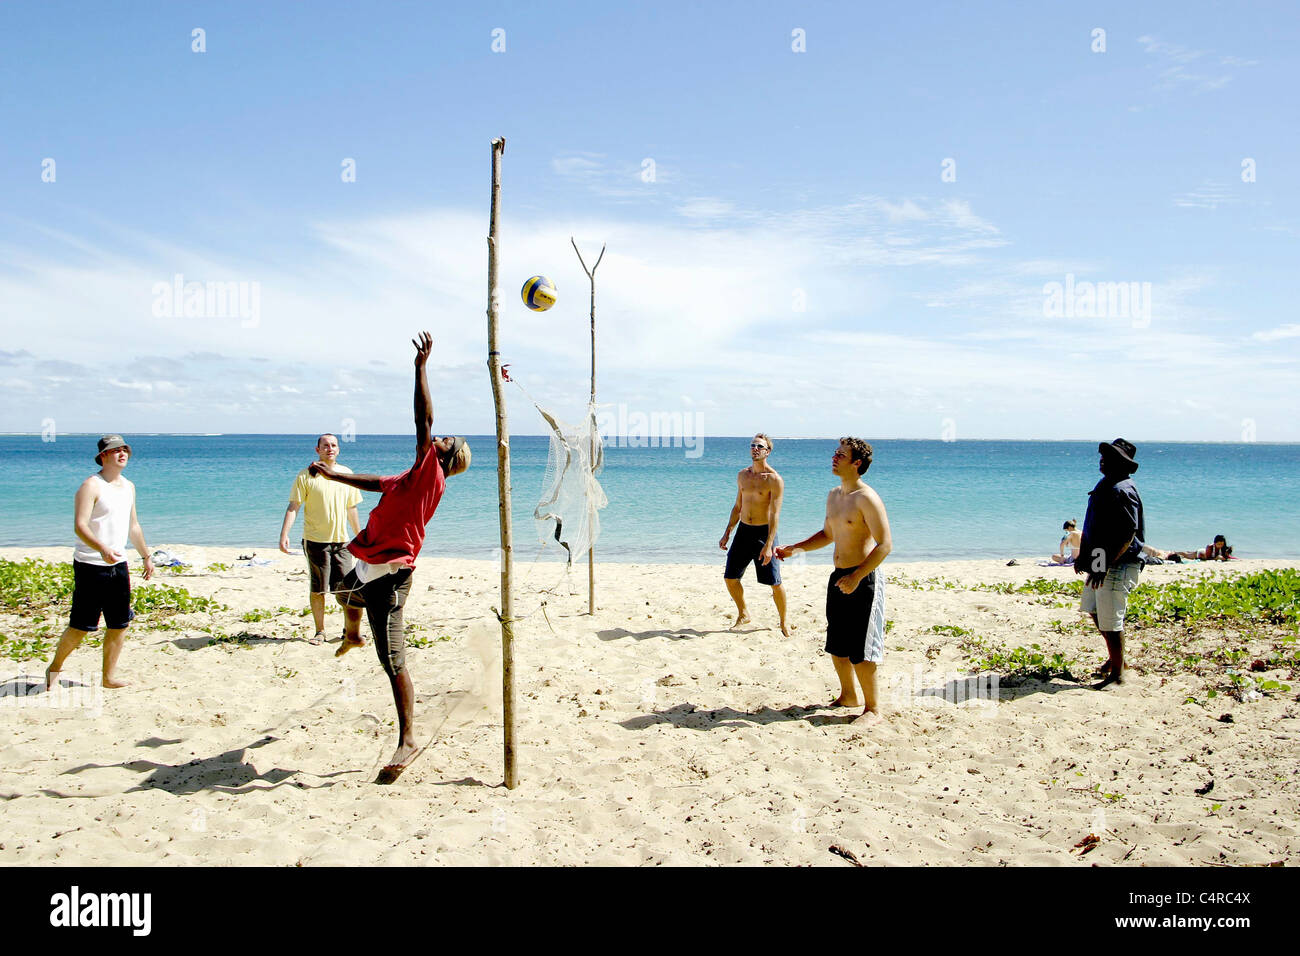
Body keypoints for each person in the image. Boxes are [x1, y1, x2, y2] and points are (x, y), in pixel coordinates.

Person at [309, 332, 471, 784]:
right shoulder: (410, 476)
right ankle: (352, 634)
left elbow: (423, 419)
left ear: (447, 456)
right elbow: (375, 483)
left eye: (446, 439)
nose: (439, 437)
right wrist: (333, 475)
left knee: (393, 660)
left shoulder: (429, 473)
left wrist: (421, 367)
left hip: (391, 574)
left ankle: (408, 740)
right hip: (369, 561)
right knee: (343, 590)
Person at [777, 438, 892, 724]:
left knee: (861, 649)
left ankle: (873, 709)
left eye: (841, 455)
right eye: (835, 453)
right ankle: (848, 696)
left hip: (863, 578)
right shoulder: (834, 495)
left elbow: (885, 545)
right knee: (837, 644)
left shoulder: (867, 498)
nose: (834, 458)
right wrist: (795, 549)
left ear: (856, 463)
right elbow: (828, 534)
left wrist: (856, 576)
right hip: (839, 576)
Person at [45, 435, 154, 690]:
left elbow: (133, 526)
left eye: (124, 449)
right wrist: (101, 548)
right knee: (81, 626)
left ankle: (108, 677)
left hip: (118, 566)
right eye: (115, 450)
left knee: (119, 624)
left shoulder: (129, 486)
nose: (122, 454)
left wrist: (146, 556)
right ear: (103, 456)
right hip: (90, 565)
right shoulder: (91, 486)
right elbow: (80, 526)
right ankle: (55, 666)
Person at [278, 433, 364, 645]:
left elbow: (351, 508)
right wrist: (284, 535)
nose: (329, 448)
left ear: (338, 449)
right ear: (317, 450)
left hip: (342, 543)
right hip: (315, 541)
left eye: (333, 445)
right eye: (325, 445)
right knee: (318, 590)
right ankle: (320, 631)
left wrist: (360, 536)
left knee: (347, 590)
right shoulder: (306, 475)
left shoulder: (347, 474)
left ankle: (350, 632)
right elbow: (294, 506)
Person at [1074, 438, 1145, 689]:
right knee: (1093, 608)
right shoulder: (1107, 483)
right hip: (1101, 561)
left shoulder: (1122, 489)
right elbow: (1097, 528)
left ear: (1123, 463)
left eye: (1110, 456)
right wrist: (1086, 557)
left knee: (1111, 620)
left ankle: (1118, 674)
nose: (1102, 459)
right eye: (1102, 455)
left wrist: (1103, 565)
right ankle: (1117, 661)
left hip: (1118, 563)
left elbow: (1126, 534)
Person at [719, 433, 791, 636]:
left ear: (767, 451)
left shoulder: (774, 479)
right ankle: (743, 613)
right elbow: (737, 506)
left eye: (760, 446)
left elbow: (775, 514)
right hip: (743, 531)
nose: (755, 449)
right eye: (752, 445)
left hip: (764, 532)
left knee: (775, 582)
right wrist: (727, 533)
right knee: (730, 578)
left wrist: (769, 545)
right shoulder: (742, 475)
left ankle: (784, 622)